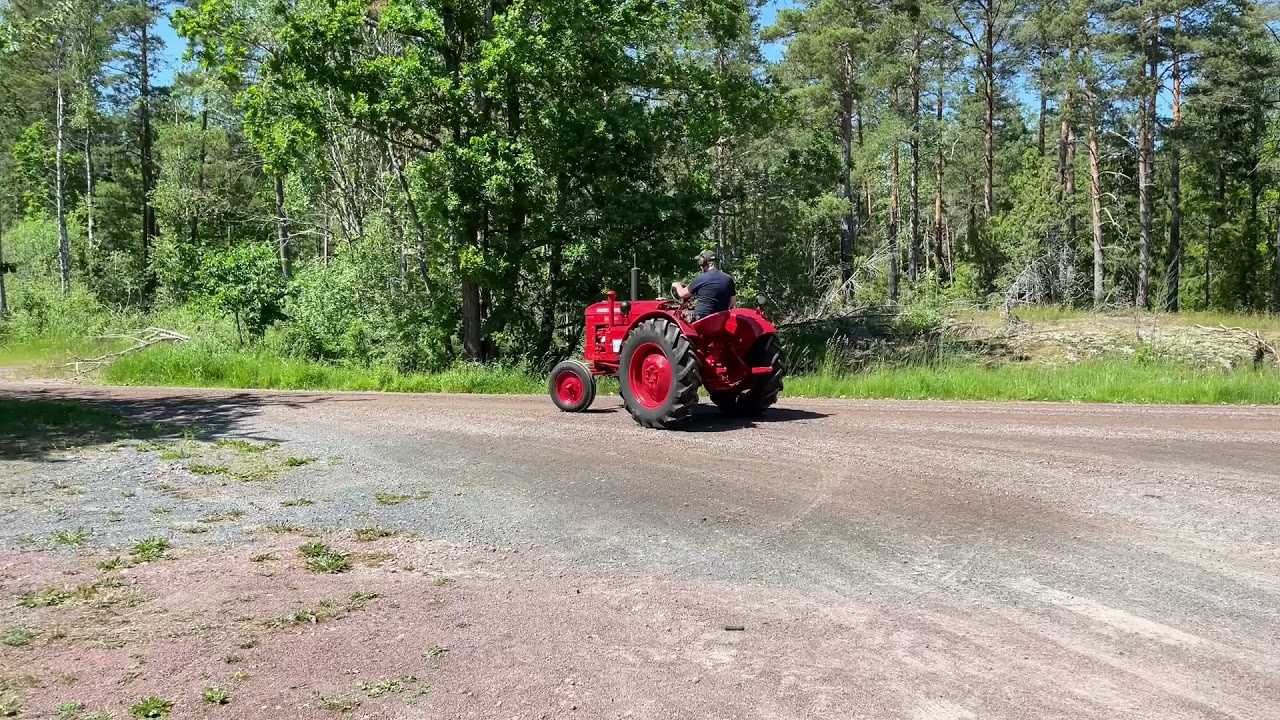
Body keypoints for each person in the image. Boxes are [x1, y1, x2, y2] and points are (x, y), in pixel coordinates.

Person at [672, 250, 736, 320]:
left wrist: (677, 285)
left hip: (701, 321)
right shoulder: (728, 279)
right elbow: (732, 303)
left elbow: (682, 294)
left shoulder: (701, 278)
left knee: (679, 316)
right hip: (720, 321)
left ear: (702, 262)